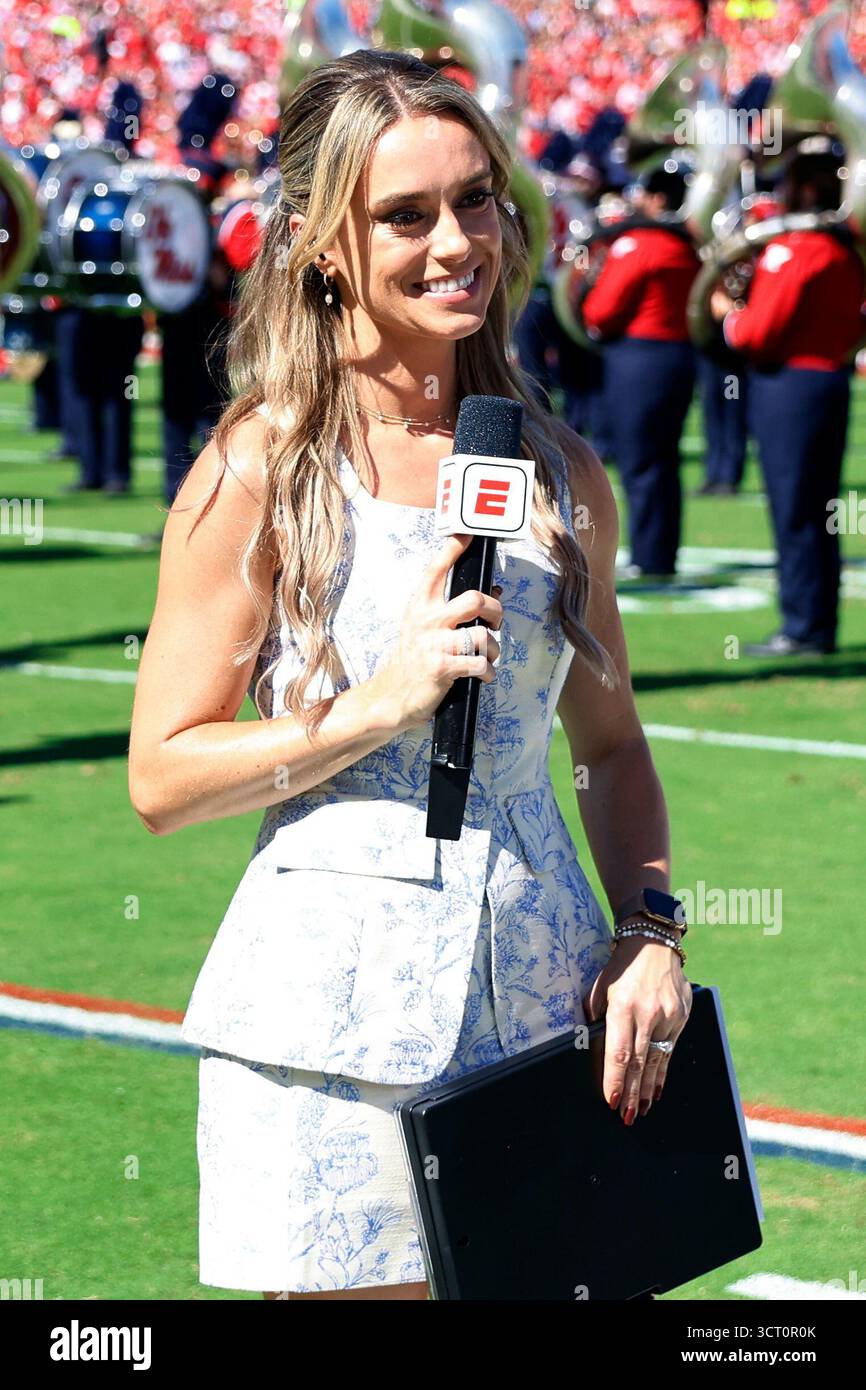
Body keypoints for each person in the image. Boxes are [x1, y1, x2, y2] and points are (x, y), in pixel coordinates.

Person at [128, 50, 691, 1301]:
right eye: (406, 213)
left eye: (477, 199)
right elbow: (162, 776)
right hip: (323, 1033)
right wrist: (373, 705)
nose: (458, 242)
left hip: (543, 1012)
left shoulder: (559, 471)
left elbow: (608, 746)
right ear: (325, 241)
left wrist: (650, 930)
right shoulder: (261, 464)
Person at [712, 147, 866, 656]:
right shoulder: (847, 249)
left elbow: (757, 333)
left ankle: (802, 626)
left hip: (789, 389)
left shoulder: (795, 248)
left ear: (799, 189)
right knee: (819, 509)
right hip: (830, 382)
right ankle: (818, 621)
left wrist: (726, 312)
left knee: (794, 510)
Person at [581, 164, 700, 578]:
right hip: (680, 355)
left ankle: (649, 556)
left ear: (658, 199)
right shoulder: (687, 243)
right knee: (664, 459)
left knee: (640, 460)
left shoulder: (640, 242)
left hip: (639, 356)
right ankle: (661, 551)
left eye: (645, 194)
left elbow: (602, 310)